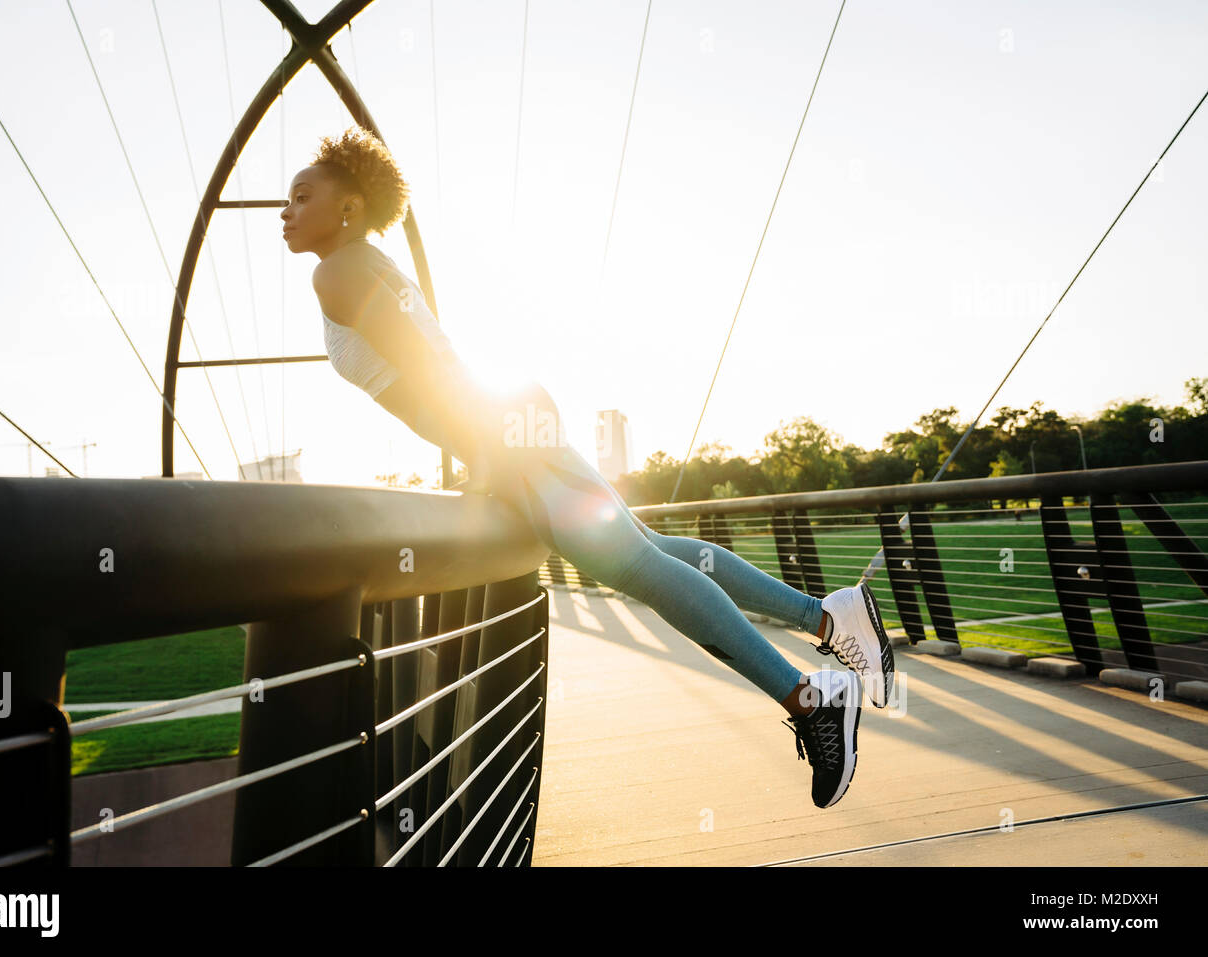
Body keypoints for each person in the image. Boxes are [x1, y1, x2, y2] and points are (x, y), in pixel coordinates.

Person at [282, 125, 893, 809]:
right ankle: (829, 618)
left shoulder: (335, 271)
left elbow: (426, 366)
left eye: (302, 196)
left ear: (350, 207)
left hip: (503, 432)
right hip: (510, 421)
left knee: (636, 566)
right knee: (652, 551)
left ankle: (814, 700)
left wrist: (487, 451)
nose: (286, 210)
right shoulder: (362, 263)